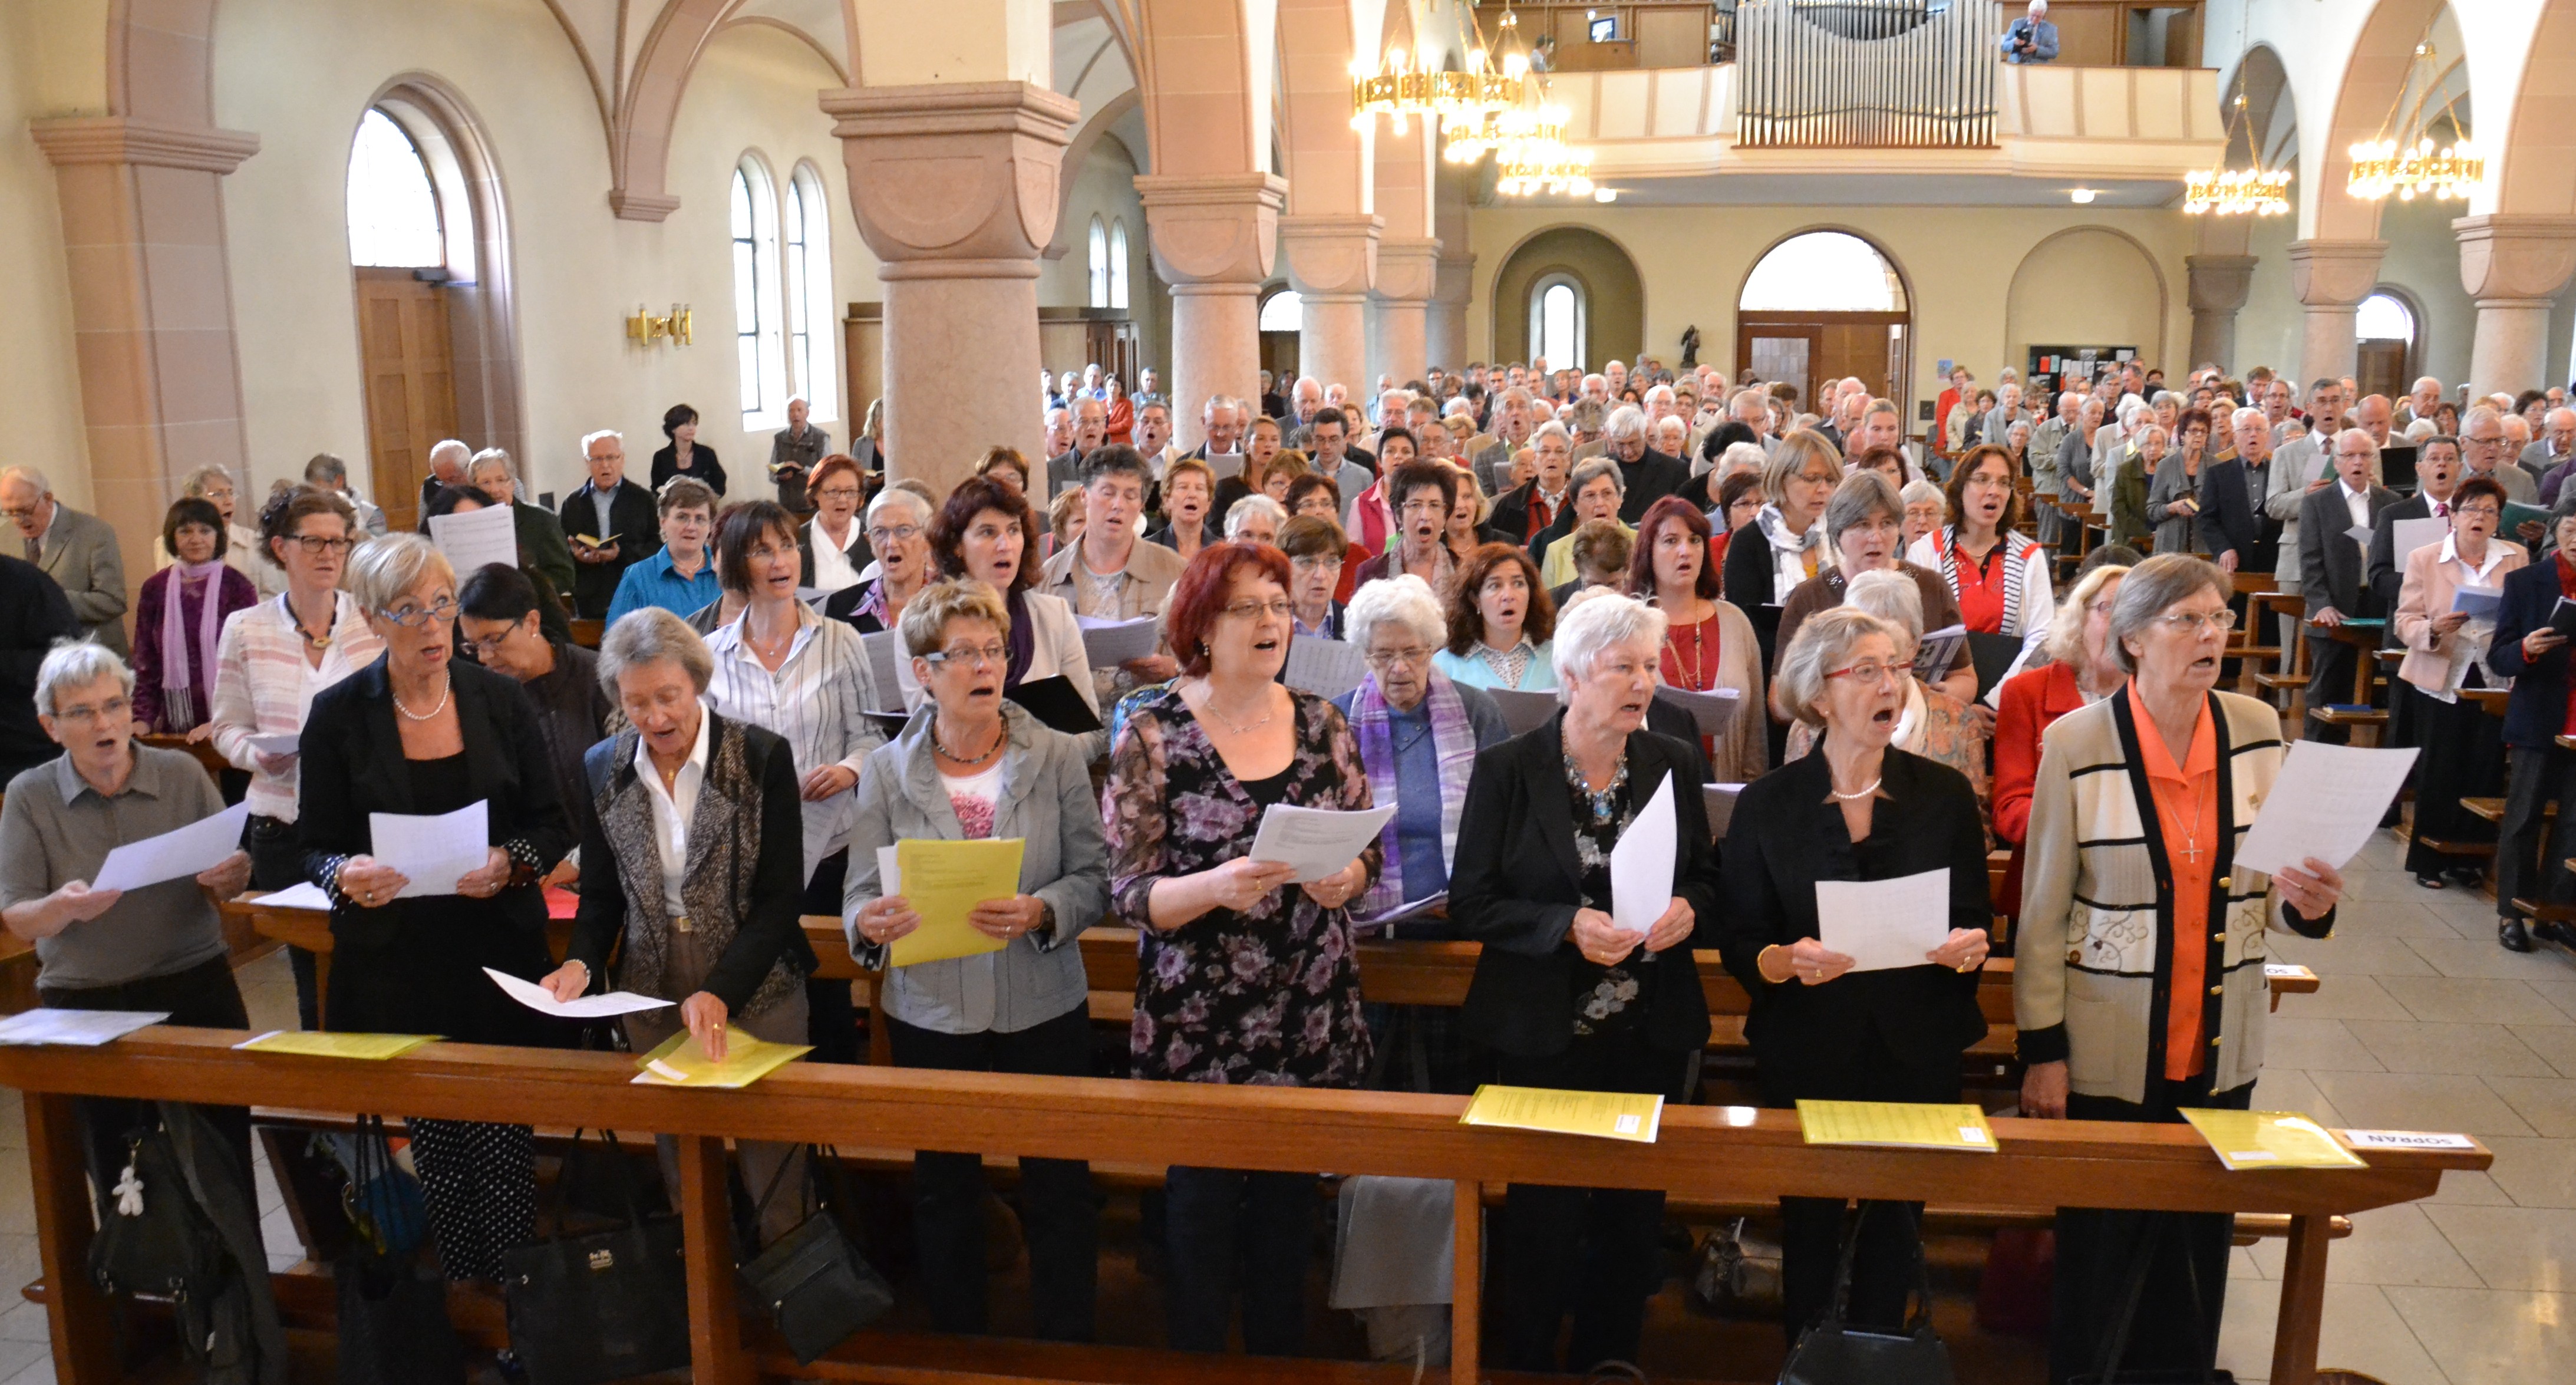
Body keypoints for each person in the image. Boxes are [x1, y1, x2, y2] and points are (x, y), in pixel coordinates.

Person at [2017, 553, 2344, 1384]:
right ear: (2131, 638)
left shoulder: (2254, 728)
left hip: (2218, 1037)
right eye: (2186, 620)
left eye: (2218, 618)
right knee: (2099, 1260)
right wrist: (2042, 1049)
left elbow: (2262, 893)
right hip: (2107, 1045)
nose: (2210, 636)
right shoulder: (2074, 742)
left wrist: (2306, 900)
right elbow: (2043, 909)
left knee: (2193, 1263)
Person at [1100, 542, 1377, 1356]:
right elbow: (1129, 892)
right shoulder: (1152, 734)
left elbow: (1370, 852)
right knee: (1200, 1224)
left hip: (1307, 1005)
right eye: (1246, 607)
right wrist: (1215, 887)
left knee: (1289, 1228)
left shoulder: (1323, 721)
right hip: (1202, 1020)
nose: (1269, 622)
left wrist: (1347, 879)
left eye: (1278, 606)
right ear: (1199, 624)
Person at [1446, 593, 1721, 1374]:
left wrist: (1683, 910)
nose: (1641, 681)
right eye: (1621, 667)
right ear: (1569, 675)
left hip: (1647, 1026)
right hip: (1543, 1026)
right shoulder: (1507, 769)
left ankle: (1611, 1362)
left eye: (1648, 664)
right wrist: (1563, 924)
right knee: (1542, 1214)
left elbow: (1705, 877)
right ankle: (1528, 1358)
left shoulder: (1672, 758)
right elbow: (1472, 900)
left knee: (1632, 1217)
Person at [298, 535, 579, 1283]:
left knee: (503, 1145)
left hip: (493, 951)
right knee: (439, 1150)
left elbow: (551, 822)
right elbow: (310, 846)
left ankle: (522, 1312)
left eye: (442, 605)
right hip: (397, 961)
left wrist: (509, 862)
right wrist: (342, 871)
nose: (431, 626)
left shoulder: (497, 699)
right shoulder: (338, 714)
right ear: (370, 616)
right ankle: (468, 1299)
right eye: (409, 610)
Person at [1718, 605, 1992, 1345]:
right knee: (1808, 1228)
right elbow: (1741, 938)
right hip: (1809, 1046)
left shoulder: (1943, 796)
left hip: (1918, 1044)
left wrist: (1969, 946)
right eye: (1866, 670)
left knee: (1896, 1233)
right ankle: (1806, 1357)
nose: (1891, 685)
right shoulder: (1769, 806)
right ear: (1819, 694)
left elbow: (1975, 919)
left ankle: (1878, 1357)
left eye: (1898, 668)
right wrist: (1782, 961)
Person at [845, 579, 1109, 1339]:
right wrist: (869, 918)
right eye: (964, 653)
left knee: (1060, 1183)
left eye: (994, 650)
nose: (984, 666)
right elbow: (861, 891)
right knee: (945, 1189)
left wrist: (1043, 908)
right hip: (933, 1005)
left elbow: (1094, 877)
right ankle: (959, 1341)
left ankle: (1068, 1344)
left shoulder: (1055, 753)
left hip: (1043, 996)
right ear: (924, 672)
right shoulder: (890, 772)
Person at [543, 608, 817, 1248]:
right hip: (653, 982)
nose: (655, 717)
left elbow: (780, 901)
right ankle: (702, 1302)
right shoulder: (603, 767)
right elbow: (603, 893)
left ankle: (789, 1301)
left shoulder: (758, 757)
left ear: (697, 682)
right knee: (683, 1166)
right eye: (636, 703)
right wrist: (581, 963)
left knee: (774, 1164)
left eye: (668, 696)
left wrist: (723, 987)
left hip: (757, 981)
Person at [0, 642, 257, 1218]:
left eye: (114, 705)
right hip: (87, 1001)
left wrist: (233, 872)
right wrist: (62, 908)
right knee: (125, 1182)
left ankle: (239, 1304)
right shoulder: (30, 795)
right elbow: (17, 916)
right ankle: (141, 1299)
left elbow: (231, 877)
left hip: (194, 987)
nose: (105, 723)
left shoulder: (182, 771)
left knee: (225, 1169)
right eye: (84, 712)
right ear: (51, 725)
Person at [209, 486, 385, 1025]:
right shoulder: (246, 627)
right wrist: (258, 757)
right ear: (281, 547)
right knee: (311, 974)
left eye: (340, 542)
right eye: (314, 542)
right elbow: (226, 726)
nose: (329, 554)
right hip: (283, 825)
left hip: (363, 821)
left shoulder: (372, 621)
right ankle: (330, 1094)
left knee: (376, 963)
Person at [702, 502, 892, 911]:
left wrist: (847, 770)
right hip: (748, 849)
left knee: (830, 970)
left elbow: (871, 737)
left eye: (787, 546)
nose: (779, 561)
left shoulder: (842, 640)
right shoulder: (709, 656)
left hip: (831, 844)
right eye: (762, 551)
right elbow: (700, 757)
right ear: (737, 564)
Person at [2393, 476, 2524, 890]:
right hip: (2441, 671)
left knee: (2484, 766)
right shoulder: (2425, 557)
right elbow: (2403, 619)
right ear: (2453, 516)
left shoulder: (2515, 557)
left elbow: (2524, 612)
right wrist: (2432, 628)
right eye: (2471, 510)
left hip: (2492, 673)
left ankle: (2469, 858)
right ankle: (2428, 859)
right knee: (2440, 766)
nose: (2479, 518)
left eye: (2489, 512)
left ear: (2497, 520)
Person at [1992, 562, 2128, 922]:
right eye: (2109, 607)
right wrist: (2094, 831)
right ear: (2079, 617)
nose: (2123, 621)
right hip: (2048, 883)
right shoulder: (2027, 692)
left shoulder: (2158, 696)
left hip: (2135, 885)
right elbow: (2010, 808)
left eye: (2136, 609)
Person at [459, 563, 618, 869]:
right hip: (524, 869)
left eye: (494, 639)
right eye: (474, 645)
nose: (484, 656)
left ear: (532, 621)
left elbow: (631, 788)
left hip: (607, 865)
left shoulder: (599, 681)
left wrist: (577, 863)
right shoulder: (482, 699)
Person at [1774, 474, 1974, 704]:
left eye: (1887, 524)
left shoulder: (1931, 586)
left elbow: (1965, 679)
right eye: (1863, 525)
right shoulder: (1809, 597)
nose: (1876, 537)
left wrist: (1932, 695)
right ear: (1839, 533)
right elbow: (1780, 700)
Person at [926, 475, 1096, 721]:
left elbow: (1089, 728)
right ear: (957, 545)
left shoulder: (1054, 616)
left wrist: (1046, 753)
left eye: (1013, 530)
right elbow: (925, 724)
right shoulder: (923, 623)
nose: (1005, 545)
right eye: (988, 532)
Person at [2488, 493, 2576, 950]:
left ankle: (2557, 912)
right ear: (2555, 533)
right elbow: (2498, 655)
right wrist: (2527, 648)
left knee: (2573, 823)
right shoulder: (2526, 582)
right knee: (2522, 817)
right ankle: (2512, 913)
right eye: (2570, 530)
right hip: (2539, 714)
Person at [1631, 496, 1767, 782]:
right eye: (1670, 541)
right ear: (1648, 551)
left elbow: (1755, 728)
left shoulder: (1735, 621)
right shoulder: (1630, 629)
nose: (1686, 551)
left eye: (1695, 540)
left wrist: (1750, 792)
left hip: (1730, 792)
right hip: (1653, 797)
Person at [1040, 447, 1185, 708]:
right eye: (1108, 493)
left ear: (1141, 505)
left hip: (1148, 724)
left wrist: (1173, 668)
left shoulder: (1175, 571)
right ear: (1084, 495)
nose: (1118, 505)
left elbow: (1206, 659)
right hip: (1072, 727)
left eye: (1131, 496)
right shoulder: (1049, 577)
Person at [2298, 428, 2400, 740]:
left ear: (2373, 461)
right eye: (2349, 456)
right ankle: (2316, 756)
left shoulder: (2390, 502)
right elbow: (2310, 561)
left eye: (2364, 455)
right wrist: (2323, 605)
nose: (2357, 462)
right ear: (2337, 462)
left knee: (2379, 686)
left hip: (2377, 602)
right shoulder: (2317, 502)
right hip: (2335, 604)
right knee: (2328, 685)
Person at [133, 498, 258, 734]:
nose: (196, 539)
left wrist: (222, 723)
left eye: (205, 530)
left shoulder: (238, 587)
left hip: (230, 721)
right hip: (174, 720)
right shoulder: (155, 588)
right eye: (186, 531)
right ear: (173, 537)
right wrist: (143, 718)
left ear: (218, 536)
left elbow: (249, 664)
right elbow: (145, 660)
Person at [1908, 443, 2056, 639]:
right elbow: (1912, 628)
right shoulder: (1925, 551)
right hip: (1943, 668)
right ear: (1961, 489)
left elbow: (2041, 634)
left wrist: (2013, 672)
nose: (1994, 491)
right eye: (1982, 479)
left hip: (2014, 668)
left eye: (2004, 483)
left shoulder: (2029, 556)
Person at [1721, 432, 1842, 673]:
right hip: (1774, 670)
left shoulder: (1838, 534)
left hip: (1838, 666)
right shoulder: (1749, 542)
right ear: (1782, 479)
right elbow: (1745, 630)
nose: (1823, 489)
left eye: (1830, 480)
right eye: (1811, 479)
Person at [0, 466, 128, 656]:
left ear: (48, 499)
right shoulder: (5, 537)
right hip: (30, 662)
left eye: (25, 510)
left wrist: (49, 601)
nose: (18, 520)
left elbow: (113, 601)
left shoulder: (95, 533)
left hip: (90, 656)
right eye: (9, 513)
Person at [562, 430, 662, 618]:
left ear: (622, 459)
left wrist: (621, 554)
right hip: (588, 597)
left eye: (611, 457)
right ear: (587, 463)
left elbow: (657, 547)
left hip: (633, 592)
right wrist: (577, 555)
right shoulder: (573, 503)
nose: (605, 465)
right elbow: (561, 550)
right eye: (597, 459)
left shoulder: (643, 499)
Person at [1436, 542, 1558, 692]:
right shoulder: (1444, 666)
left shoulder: (1557, 656)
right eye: (1495, 586)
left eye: (1518, 584)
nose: (1508, 596)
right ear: (1475, 599)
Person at [466, 449, 579, 607]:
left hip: (532, 610)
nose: (495, 489)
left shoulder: (541, 520)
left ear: (512, 484)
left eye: (501, 480)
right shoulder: (467, 525)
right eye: (486, 483)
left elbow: (564, 575)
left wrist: (525, 591)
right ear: (474, 488)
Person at [605, 477, 721, 625]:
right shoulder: (638, 577)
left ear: (710, 526)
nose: (691, 527)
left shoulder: (727, 572)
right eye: (682, 517)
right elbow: (616, 641)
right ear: (663, 522)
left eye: (700, 519)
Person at [161, 464, 281, 598]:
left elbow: (271, 596)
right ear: (194, 499)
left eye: (231, 493)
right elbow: (164, 592)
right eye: (218, 494)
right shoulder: (167, 543)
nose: (229, 501)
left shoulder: (254, 541)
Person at [1354, 462, 1460, 591]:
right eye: (1415, 505)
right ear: (1399, 515)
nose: (1425, 516)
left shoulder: (1463, 571)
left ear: (1445, 515)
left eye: (1434, 505)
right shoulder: (1370, 573)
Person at [1534, 459, 1632, 591]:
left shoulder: (1642, 542)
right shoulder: (1556, 552)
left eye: (1607, 493)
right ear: (1575, 505)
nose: (1600, 503)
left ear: (1620, 499)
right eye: (1590, 495)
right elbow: (1549, 605)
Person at [799, 455, 872, 595]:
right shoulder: (797, 542)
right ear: (815, 494)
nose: (843, 499)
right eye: (833, 492)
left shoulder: (873, 539)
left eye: (851, 492)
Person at [2146, 408, 2212, 556]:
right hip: (2170, 544)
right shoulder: (2165, 465)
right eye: (2194, 430)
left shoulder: (2216, 466)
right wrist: (2173, 507)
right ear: (2182, 435)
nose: (2199, 435)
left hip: (2204, 545)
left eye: (2204, 431)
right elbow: (2152, 510)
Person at [1281, 515, 1350, 640]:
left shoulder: (1354, 623)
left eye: (1331, 562)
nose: (1321, 576)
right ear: (1285, 566)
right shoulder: (1269, 625)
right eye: (1307, 562)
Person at [769, 394, 833, 515]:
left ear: (807, 413)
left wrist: (803, 470)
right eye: (791, 411)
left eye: (799, 410)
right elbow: (772, 472)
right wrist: (779, 477)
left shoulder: (820, 437)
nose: (795, 414)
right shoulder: (780, 438)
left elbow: (828, 472)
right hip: (786, 505)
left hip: (812, 505)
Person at [1145, 456, 1217, 562]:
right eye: (1183, 487)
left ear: (1208, 504)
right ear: (1167, 500)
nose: (1192, 495)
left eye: (1199, 488)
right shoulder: (1147, 550)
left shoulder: (1223, 552)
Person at [303, 453, 388, 537]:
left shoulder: (371, 514)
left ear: (339, 481)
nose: (316, 496)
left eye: (320, 489)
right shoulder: (311, 513)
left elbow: (379, 549)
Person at [651, 402, 726, 496]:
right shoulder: (661, 457)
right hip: (672, 508)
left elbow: (719, 486)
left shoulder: (707, 454)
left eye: (694, 423)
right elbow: (656, 488)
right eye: (686, 424)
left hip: (702, 506)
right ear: (673, 428)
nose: (691, 428)